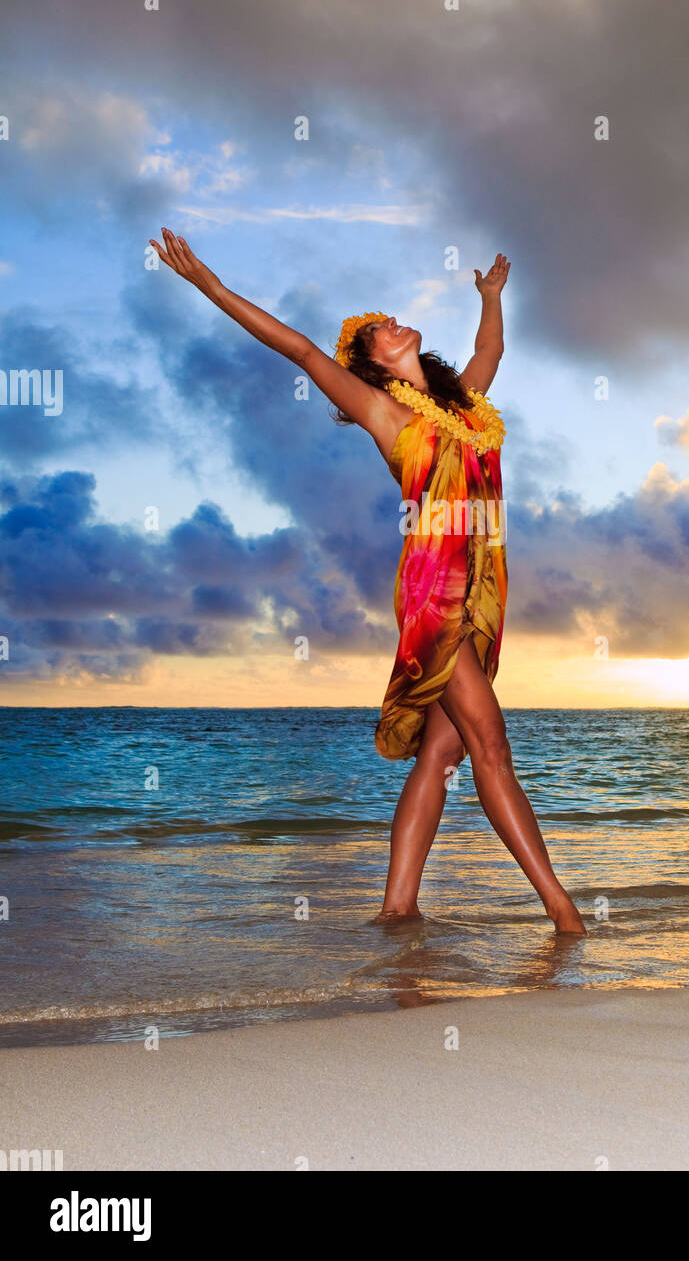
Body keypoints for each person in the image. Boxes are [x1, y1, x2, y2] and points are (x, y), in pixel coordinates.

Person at [150, 228, 586, 935]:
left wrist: (490, 297)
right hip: (436, 593)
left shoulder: (466, 407)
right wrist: (212, 287)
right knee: (490, 743)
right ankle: (563, 911)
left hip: (485, 592)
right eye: (381, 328)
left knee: (442, 751)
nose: (394, 323)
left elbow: (490, 352)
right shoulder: (385, 413)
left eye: (392, 320)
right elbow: (300, 350)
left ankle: (398, 908)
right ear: (372, 362)